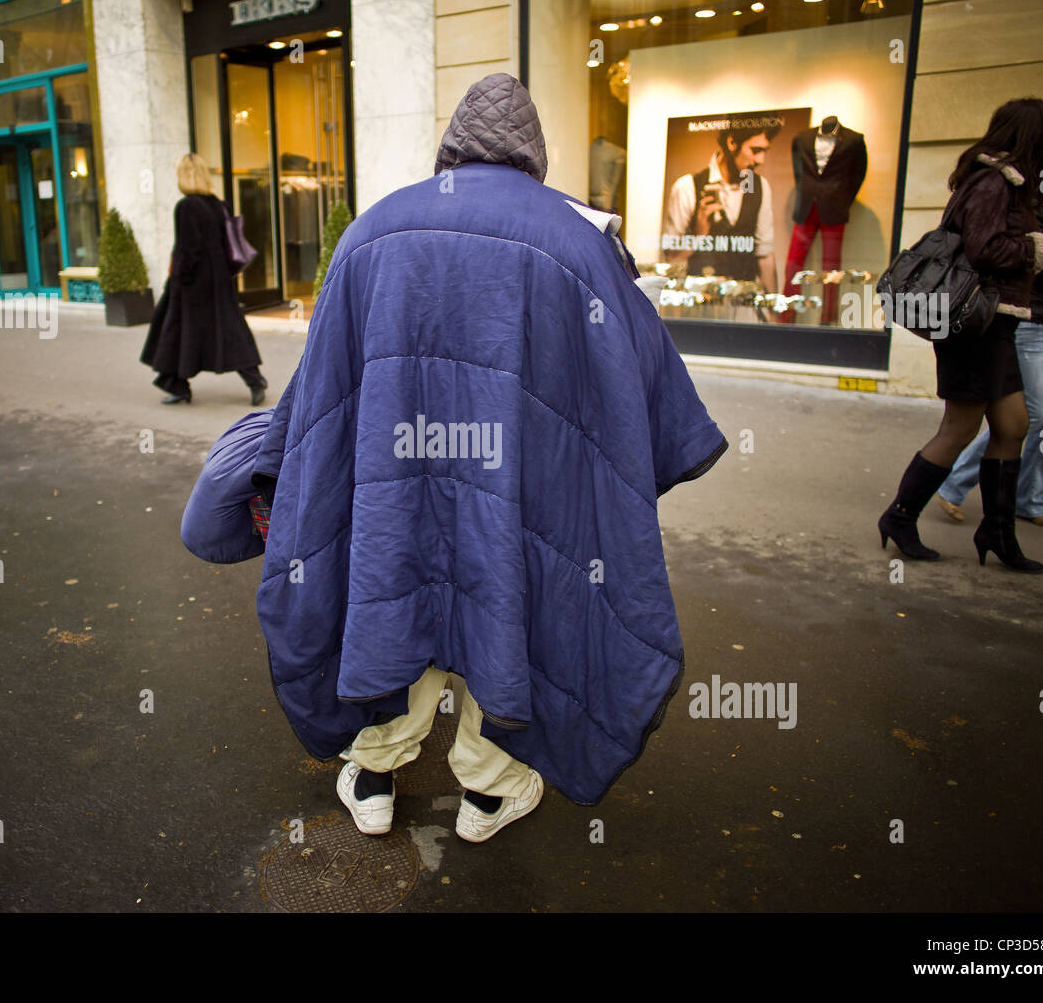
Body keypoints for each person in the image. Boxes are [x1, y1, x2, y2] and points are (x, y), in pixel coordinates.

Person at [250, 74, 727, 841]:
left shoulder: (372, 228)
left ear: (450, 148)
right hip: (519, 483)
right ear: (533, 155)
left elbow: (322, 386)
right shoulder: (577, 237)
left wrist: (286, 462)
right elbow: (640, 375)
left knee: (396, 591)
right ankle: (487, 789)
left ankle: (374, 772)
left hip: (391, 480)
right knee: (506, 602)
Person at [877, 98, 1043, 572]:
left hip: (1001, 323)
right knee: (960, 426)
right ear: (1035, 136)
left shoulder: (1018, 187)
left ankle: (997, 530)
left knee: (1013, 425)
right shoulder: (994, 181)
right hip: (975, 324)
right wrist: (1042, 245)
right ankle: (900, 516)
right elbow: (984, 248)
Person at [935, 124, 1043, 529]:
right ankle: (954, 484)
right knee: (1027, 417)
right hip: (1029, 321)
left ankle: (1030, 498)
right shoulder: (1029, 202)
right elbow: (1036, 266)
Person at [141, 153, 267, 406]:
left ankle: (177, 384)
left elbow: (189, 249)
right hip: (220, 279)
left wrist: (179, 279)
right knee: (228, 328)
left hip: (193, 282)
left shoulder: (187, 206)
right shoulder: (219, 204)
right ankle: (254, 379)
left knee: (175, 328)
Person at [662, 116, 779, 301]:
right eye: (755, 150)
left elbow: (764, 255)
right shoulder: (687, 186)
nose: (761, 160)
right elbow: (671, 258)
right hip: (700, 305)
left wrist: (773, 307)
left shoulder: (760, 186)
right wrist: (699, 235)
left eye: (765, 151)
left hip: (744, 305)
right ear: (732, 142)